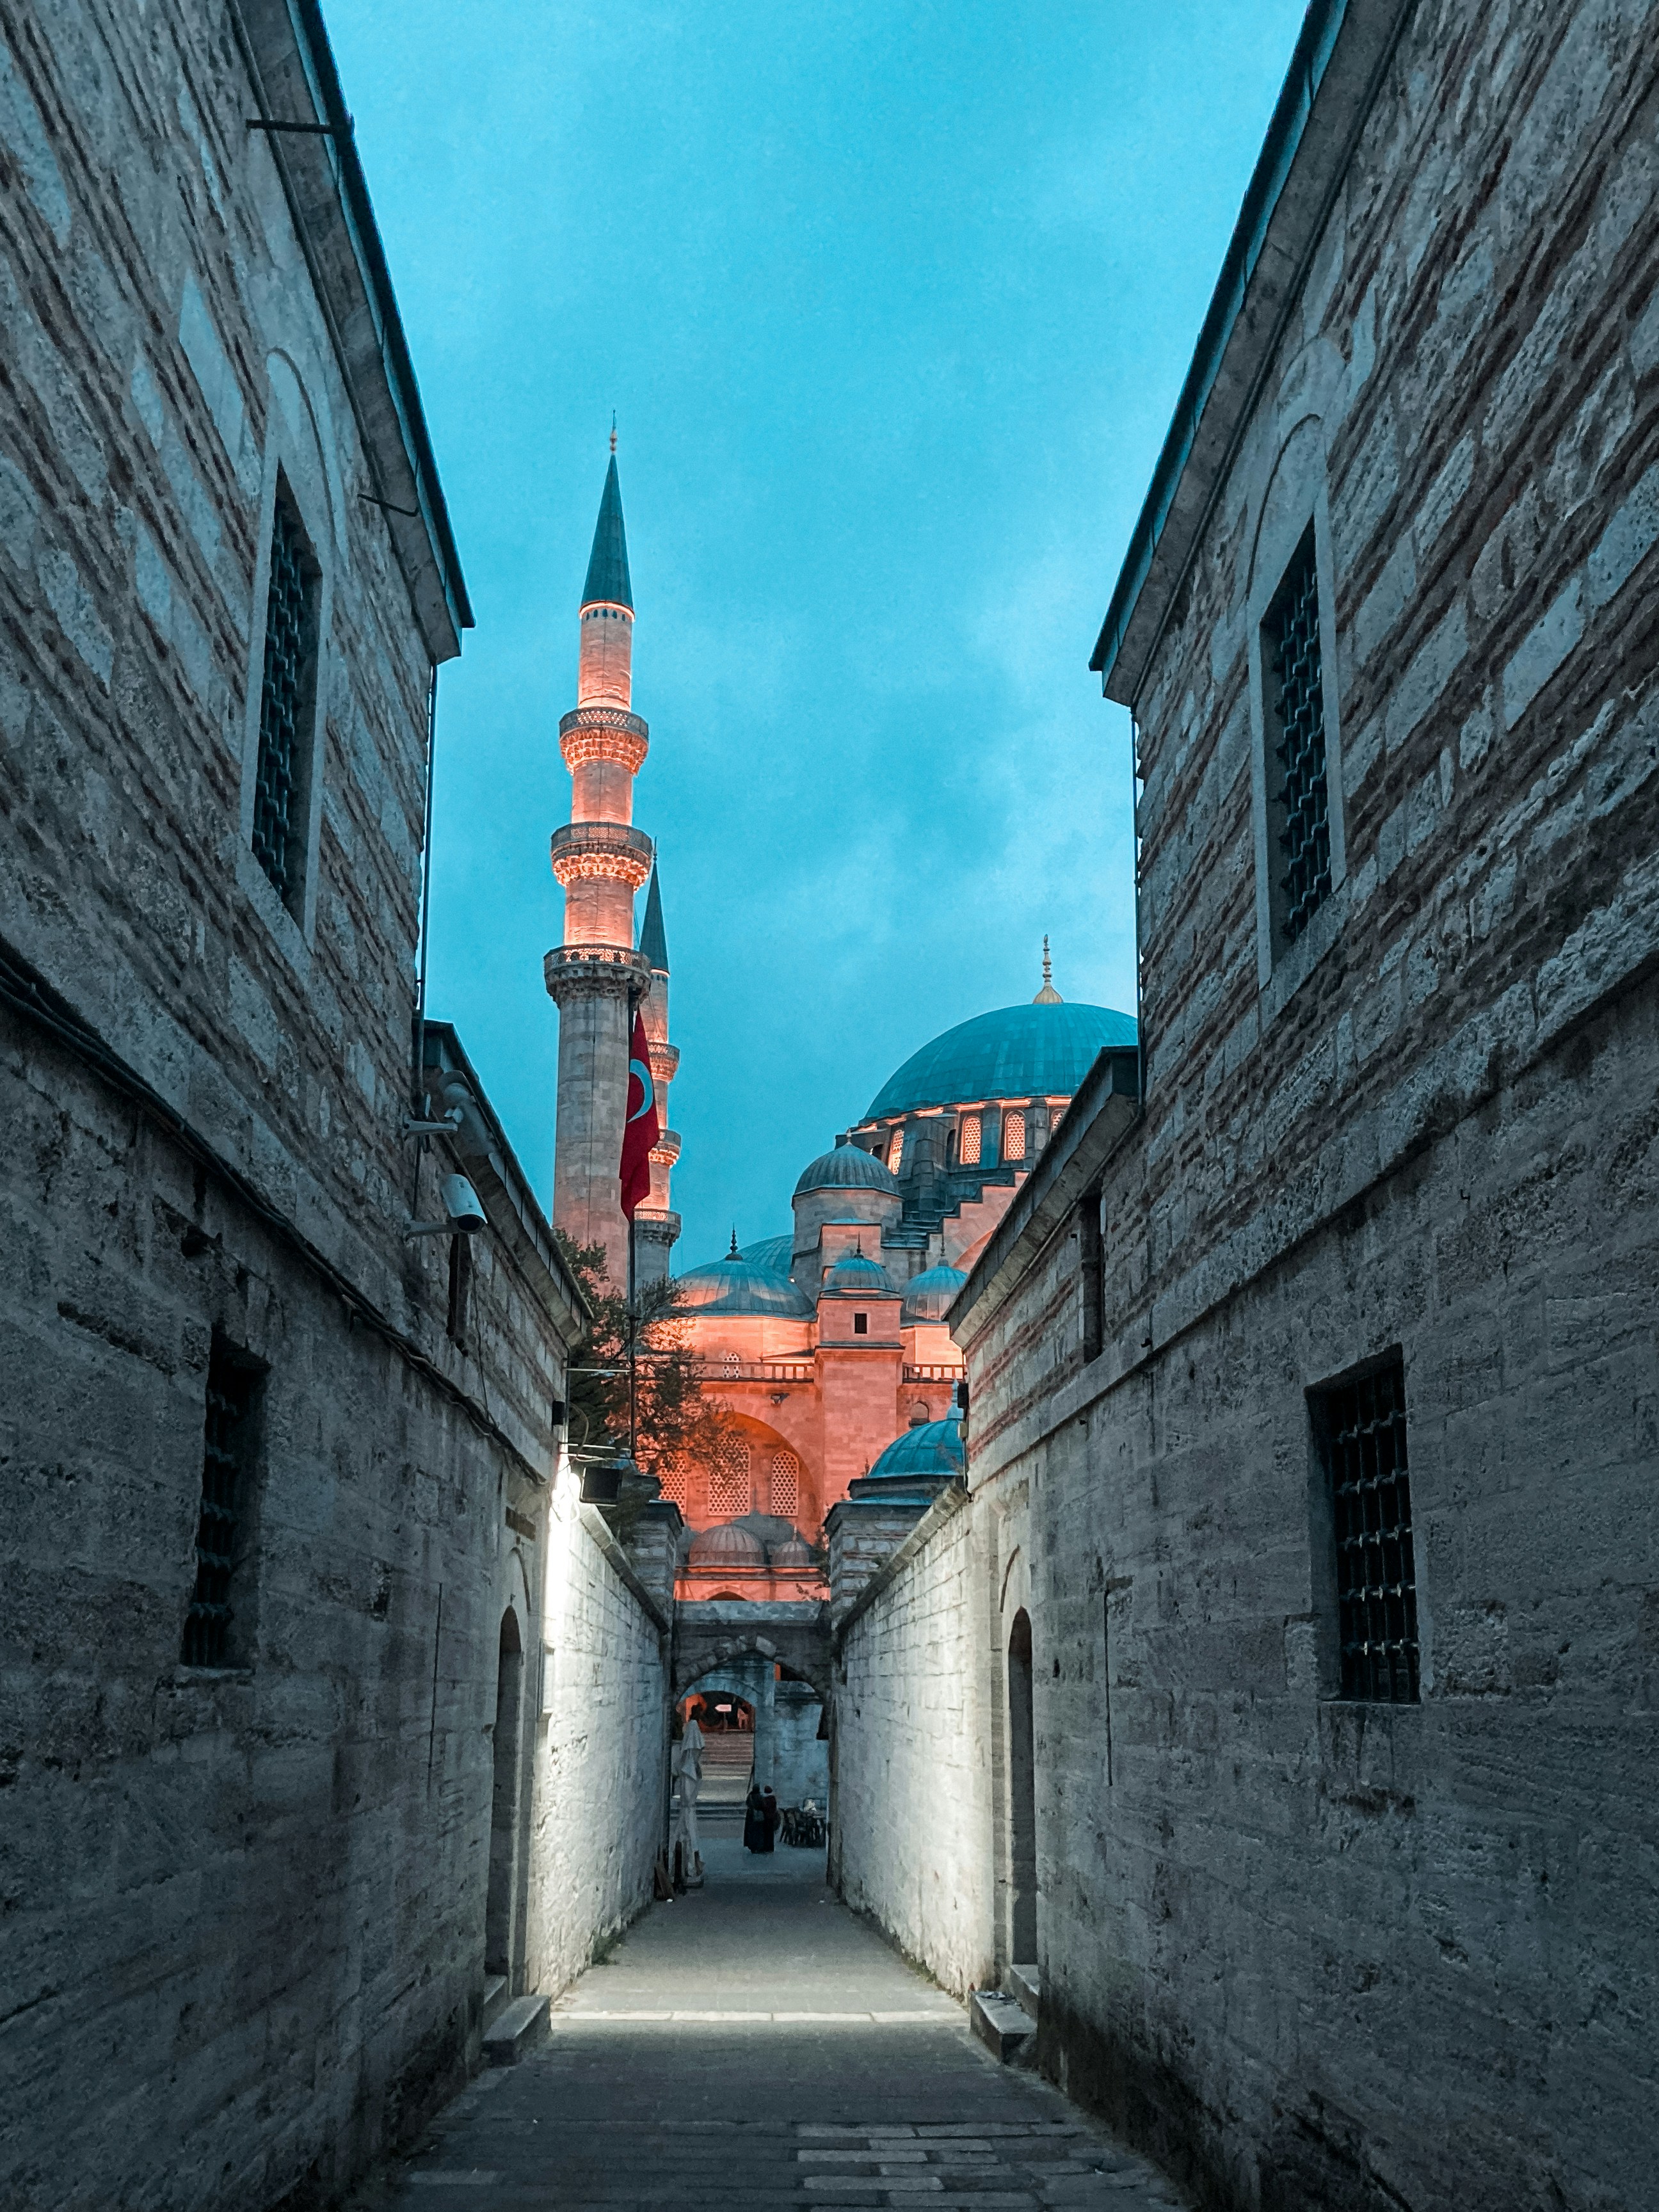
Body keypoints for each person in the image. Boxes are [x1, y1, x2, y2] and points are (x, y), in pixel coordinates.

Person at [742, 1781, 769, 1854]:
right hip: (759, 1817)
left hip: (751, 1816)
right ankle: (759, 1846)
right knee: (759, 1832)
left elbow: (747, 1804)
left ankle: (752, 1846)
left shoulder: (750, 1796)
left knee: (751, 1832)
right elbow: (764, 1806)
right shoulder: (760, 1797)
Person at [761, 1785, 780, 1850]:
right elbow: (774, 1808)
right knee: (771, 1833)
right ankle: (771, 1847)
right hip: (772, 1818)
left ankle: (765, 1846)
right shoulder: (773, 1799)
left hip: (765, 1818)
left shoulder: (764, 1799)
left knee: (765, 1833)